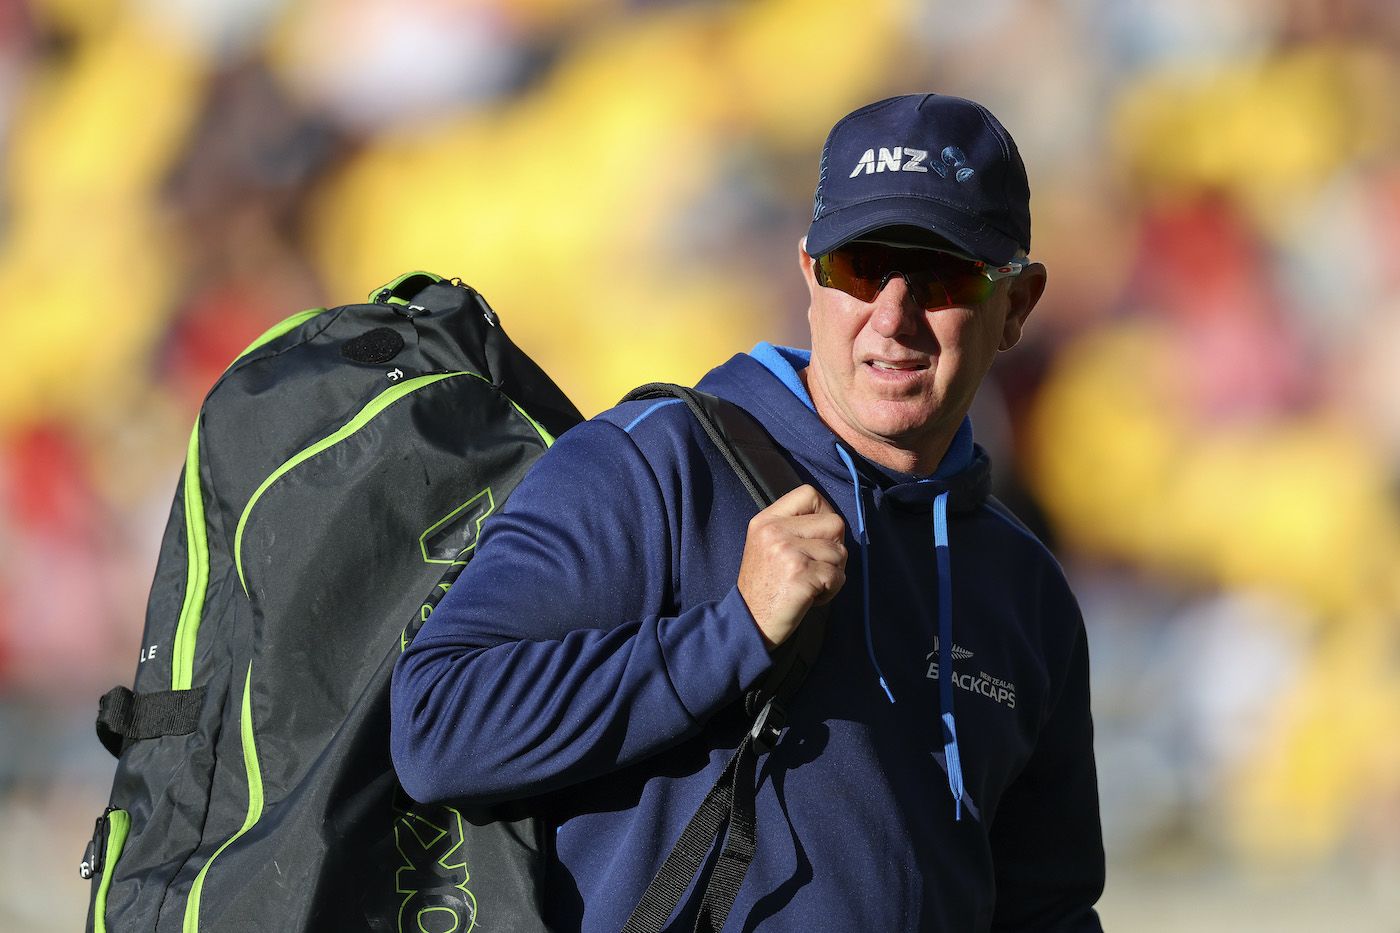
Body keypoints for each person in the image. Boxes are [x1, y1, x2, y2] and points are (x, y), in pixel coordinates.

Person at [391, 93, 1104, 931]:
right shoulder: (653, 466)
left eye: (944, 275)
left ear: (1018, 304)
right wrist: (732, 632)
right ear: (809, 274)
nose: (893, 316)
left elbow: (1047, 908)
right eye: (861, 268)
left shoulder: (1024, 588)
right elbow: (437, 727)